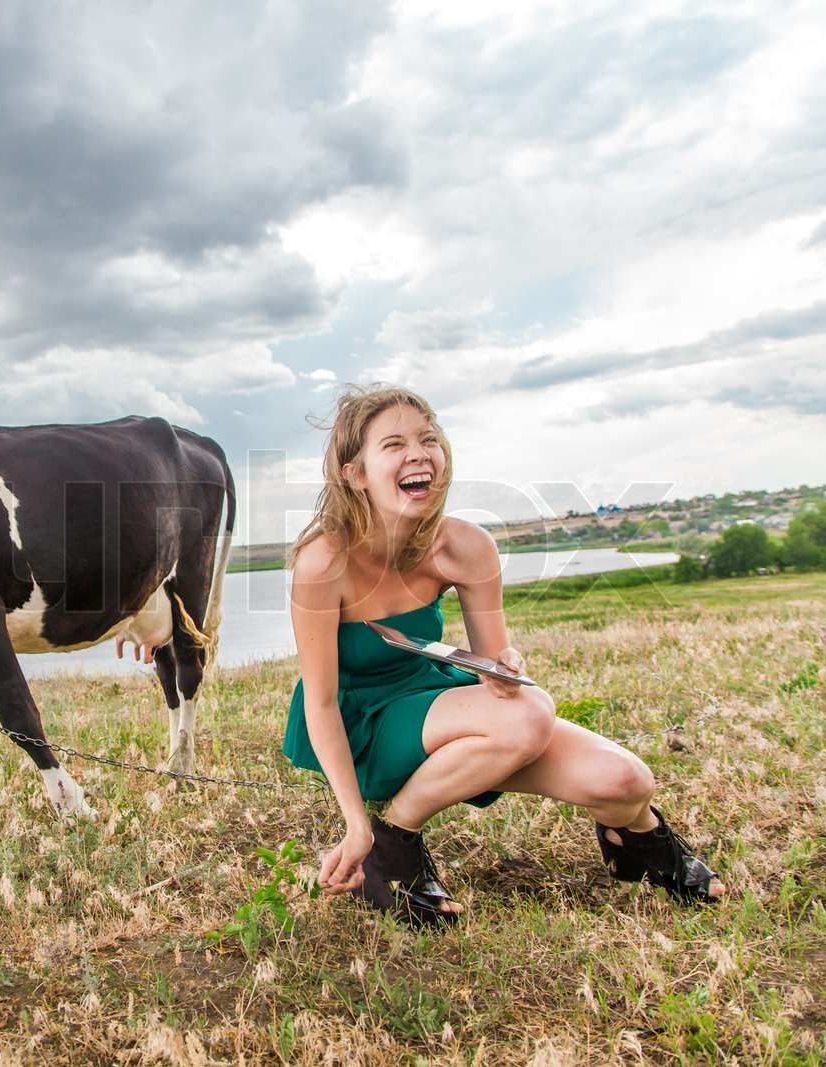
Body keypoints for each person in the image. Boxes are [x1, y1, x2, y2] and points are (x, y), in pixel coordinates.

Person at [283, 384, 725, 926]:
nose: (418, 453)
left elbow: (494, 675)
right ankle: (391, 839)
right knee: (531, 714)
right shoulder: (323, 560)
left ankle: (632, 839)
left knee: (625, 783)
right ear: (355, 473)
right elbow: (320, 703)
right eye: (393, 444)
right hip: (360, 723)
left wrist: (504, 668)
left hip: (438, 704)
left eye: (428, 439)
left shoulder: (466, 546)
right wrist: (355, 822)